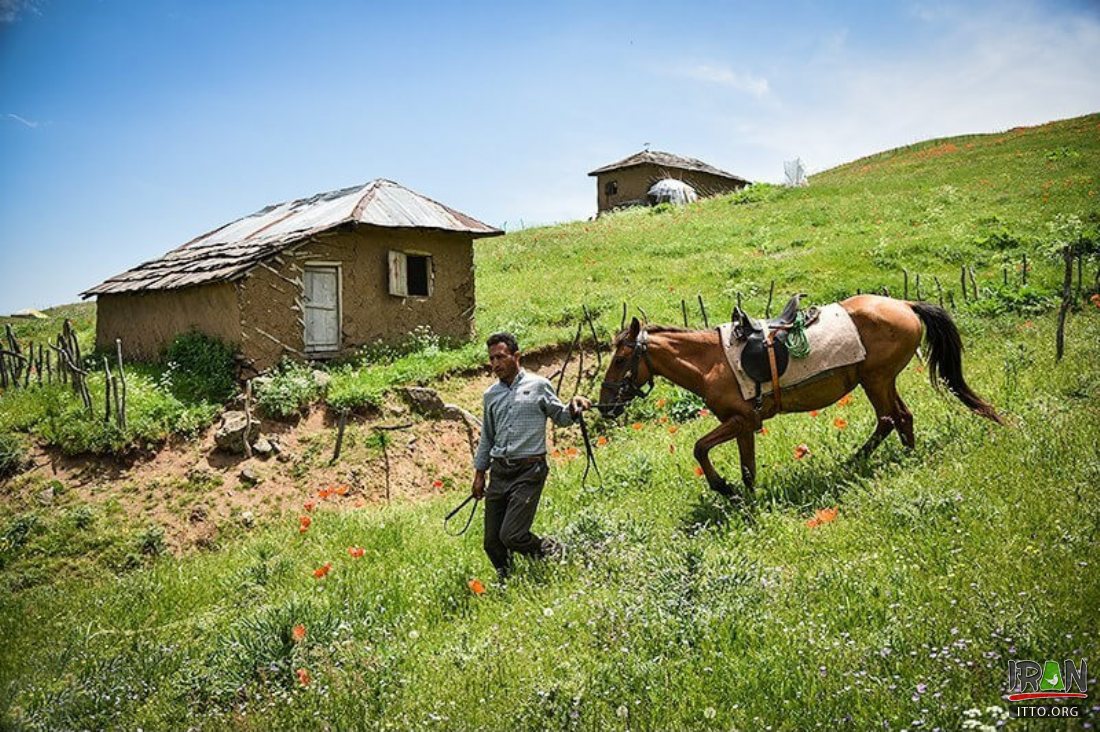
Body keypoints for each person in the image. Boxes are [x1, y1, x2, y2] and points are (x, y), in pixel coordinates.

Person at [471, 332, 591, 580]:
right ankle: (508, 579)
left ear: (516, 356)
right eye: (492, 359)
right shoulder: (490, 395)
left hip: (529, 470)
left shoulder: (538, 385)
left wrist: (574, 406)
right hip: (500, 471)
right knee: (492, 542)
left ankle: (551, 551)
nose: (495, 364)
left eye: (500, 357)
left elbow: (561, 417)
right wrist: (479, 474)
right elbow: (487, 437)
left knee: (512, 535)